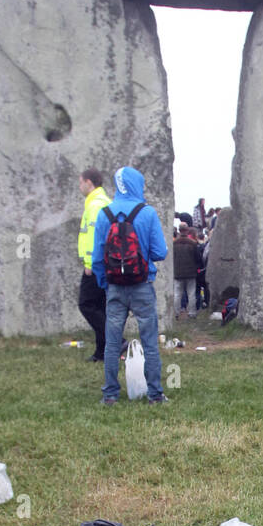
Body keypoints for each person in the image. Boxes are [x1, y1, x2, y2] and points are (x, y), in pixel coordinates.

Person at [91, 166, 168, 406]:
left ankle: (110, 394)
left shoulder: (104, 214)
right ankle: (155, 394)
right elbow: (160, 252)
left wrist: (106, 283)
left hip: (114, 286)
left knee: (112, 342)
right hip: (142, 285)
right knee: (149, 341)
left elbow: (97, 258)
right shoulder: (147, 213)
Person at [76, 168, 111, 363]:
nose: (79, 187)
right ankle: (102, 351)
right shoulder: (103, 202)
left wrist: (89, 263)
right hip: (102, 263)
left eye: (81, 182)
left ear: (89, 182)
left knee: (86, 304)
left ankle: (116, 340)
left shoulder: (95, 205)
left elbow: (94, 238)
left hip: (95, 265)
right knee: (99, 306)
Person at [173, 221, 199, 319]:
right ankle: (192, 312)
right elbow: (198, 258)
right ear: (187, 230)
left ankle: (176, 312)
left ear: (179, 230)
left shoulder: (174, 243)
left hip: (178, 272)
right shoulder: (192, 243)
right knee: (191, 293)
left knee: (177, 294)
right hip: (191, 272)